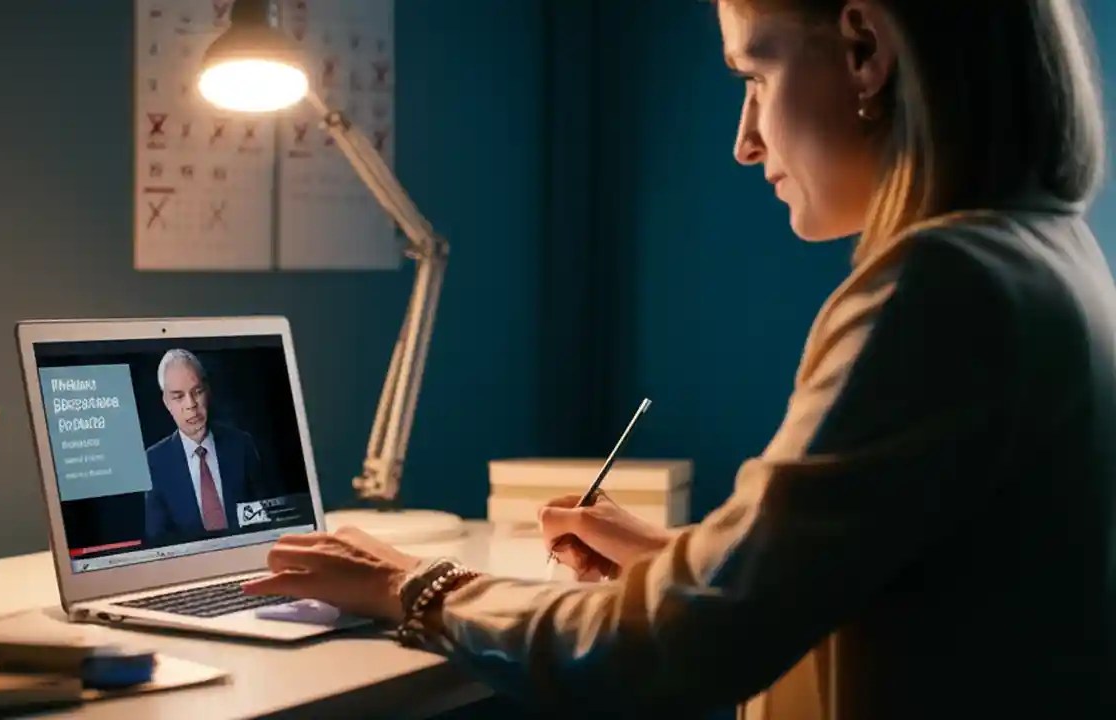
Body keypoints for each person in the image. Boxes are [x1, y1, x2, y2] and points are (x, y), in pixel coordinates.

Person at [241, 1, 1115, 717]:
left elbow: (673, 656)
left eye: (754, 76)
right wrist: (687, 558)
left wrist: (416, 587)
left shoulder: (939, 289)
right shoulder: (1047, 255)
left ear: (864, 50)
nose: (744, 140)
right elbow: (921, 586)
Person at [145, 349, 282, 542]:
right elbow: (157, 540)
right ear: (167, 402)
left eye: (197, 392)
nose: (191, 404)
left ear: (207, 391)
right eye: (178, 397)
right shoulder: (154, 461)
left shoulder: (241, 444)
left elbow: (267, 519)